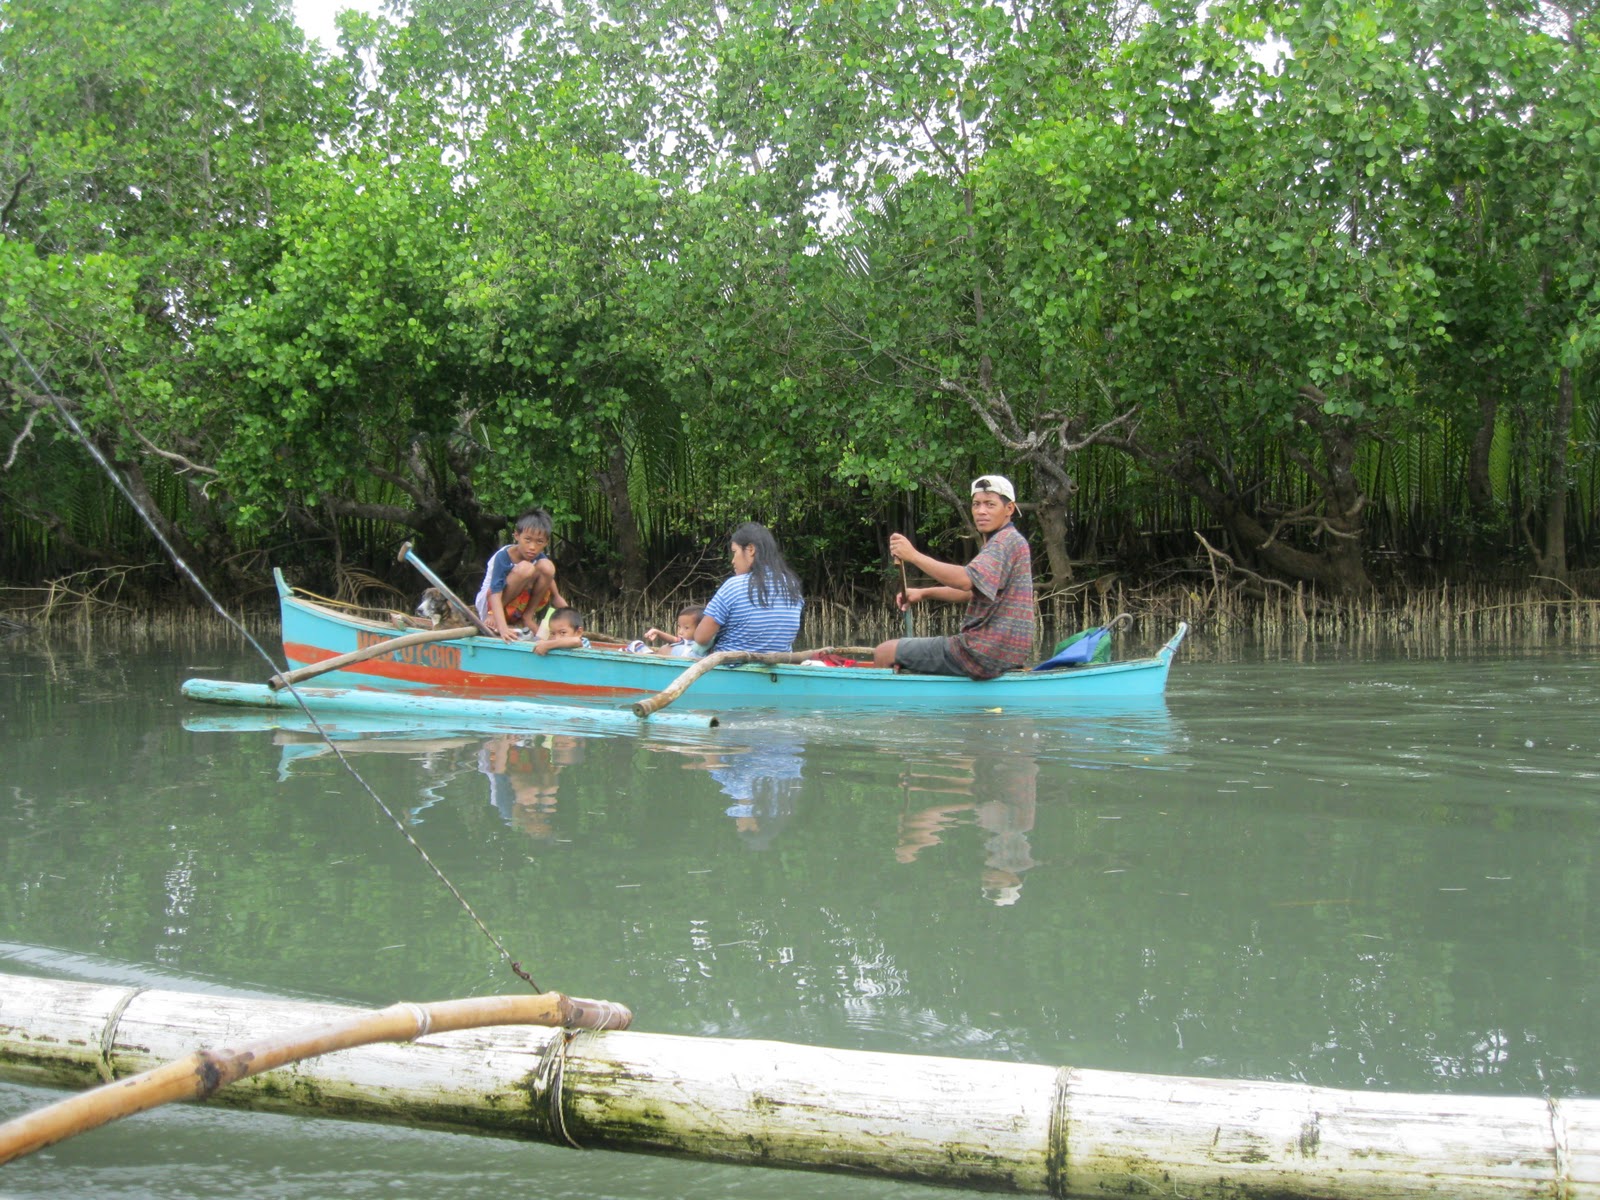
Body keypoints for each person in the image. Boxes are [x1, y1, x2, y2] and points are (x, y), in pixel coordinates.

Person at [873, 474, 1035, 678]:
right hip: (1005, 653)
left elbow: (965, 580)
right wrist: (924, 593)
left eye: (990, 504)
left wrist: (913, 555)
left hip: (980, 652)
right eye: (976, 504)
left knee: (884, 652)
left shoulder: (1002, 543)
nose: (981, 511)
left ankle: (879, 708)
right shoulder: (1011, 541)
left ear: (1009, 509)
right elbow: (971, 592)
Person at [693, 522, 805, 653]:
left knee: (670, 650)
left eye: (735, 552)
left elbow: (701, 638)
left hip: (730, 666)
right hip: (778, 665)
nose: (733, 560)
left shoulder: (733, 586)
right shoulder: (791, 586)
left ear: (751, 549)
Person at [474, 509, 568, 643]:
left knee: (547, 565)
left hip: (516, 605)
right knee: (526, 568)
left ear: (546, 542)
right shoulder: (503, 556)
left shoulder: (537, 556)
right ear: (516, 536)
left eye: (539, 542)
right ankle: (496, 617)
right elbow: (495, 591)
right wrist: (500, 625)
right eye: (528, 540)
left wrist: (557, 597)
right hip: (491, 604)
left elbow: (548, 574)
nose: (532, 547)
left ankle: (527, 617)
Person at [642, 604, 706, 657]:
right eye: (679, 626)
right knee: (636, 644)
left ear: (699, 629)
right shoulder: (684, 641)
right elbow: (673, 639)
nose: (680, 632)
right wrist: (658, 633)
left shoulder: (700, 645)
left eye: (686, 628)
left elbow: (673, 640)